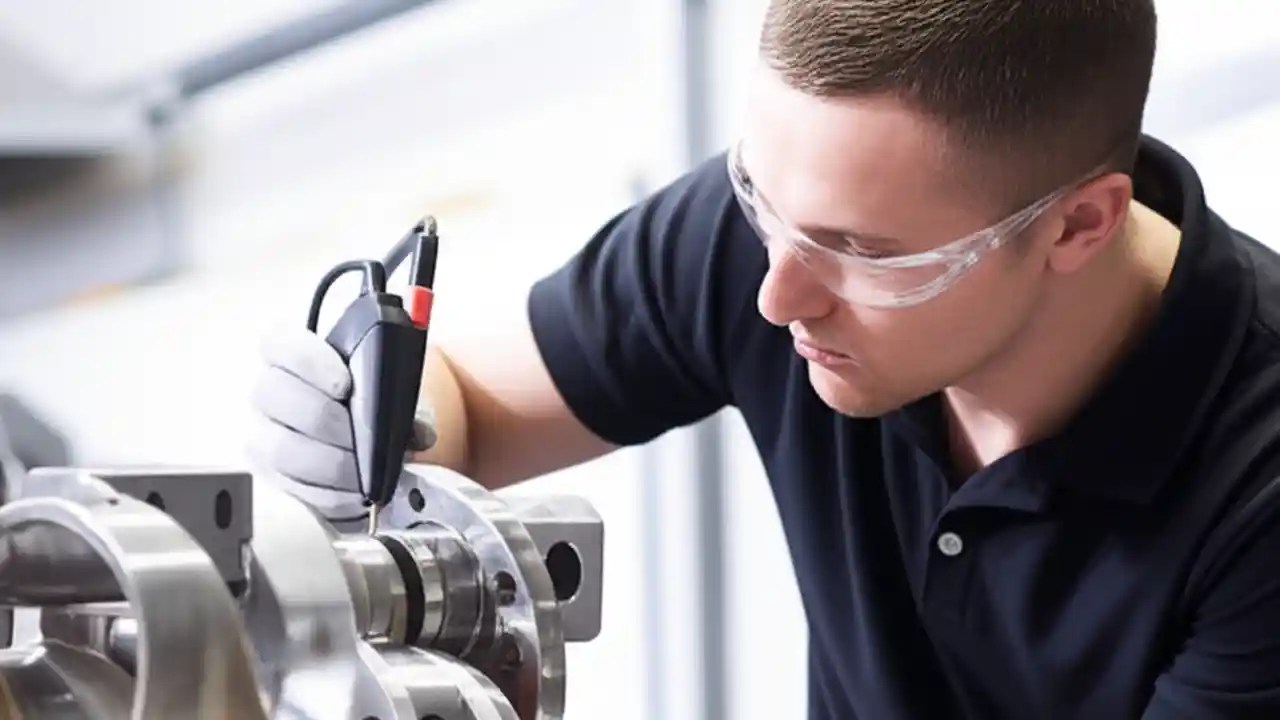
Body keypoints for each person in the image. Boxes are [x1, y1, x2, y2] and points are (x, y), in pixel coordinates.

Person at [249, 1, 1280, 717]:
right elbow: (473, 395)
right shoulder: (780, 233)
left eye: (861, 253)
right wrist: (372, 421)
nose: (774, 294)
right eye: (760, 200)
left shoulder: (1255, 491)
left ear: (1076, 226)